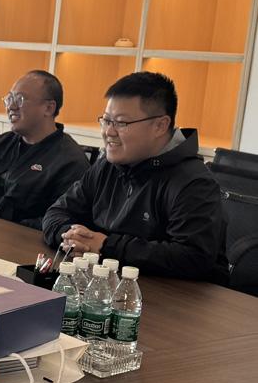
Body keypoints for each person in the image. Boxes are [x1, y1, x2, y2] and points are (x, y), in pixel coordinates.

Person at [43, 71, 229, 283]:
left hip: (178, 296)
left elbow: (193, 257)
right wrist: (71, 237)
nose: (109, 132)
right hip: (105, 284)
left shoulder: (194, 182)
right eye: (106, 120)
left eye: (121, 123)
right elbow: (57, 212)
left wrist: (106, 246)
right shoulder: (107, 166)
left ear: (160, 125)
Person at [0, 70, 89, 228]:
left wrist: (2, 228)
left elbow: (62, 219)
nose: (11, 106)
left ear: (49, 108)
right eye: (9, 99)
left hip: (19, 239)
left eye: (20, 99)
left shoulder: (71, 161)